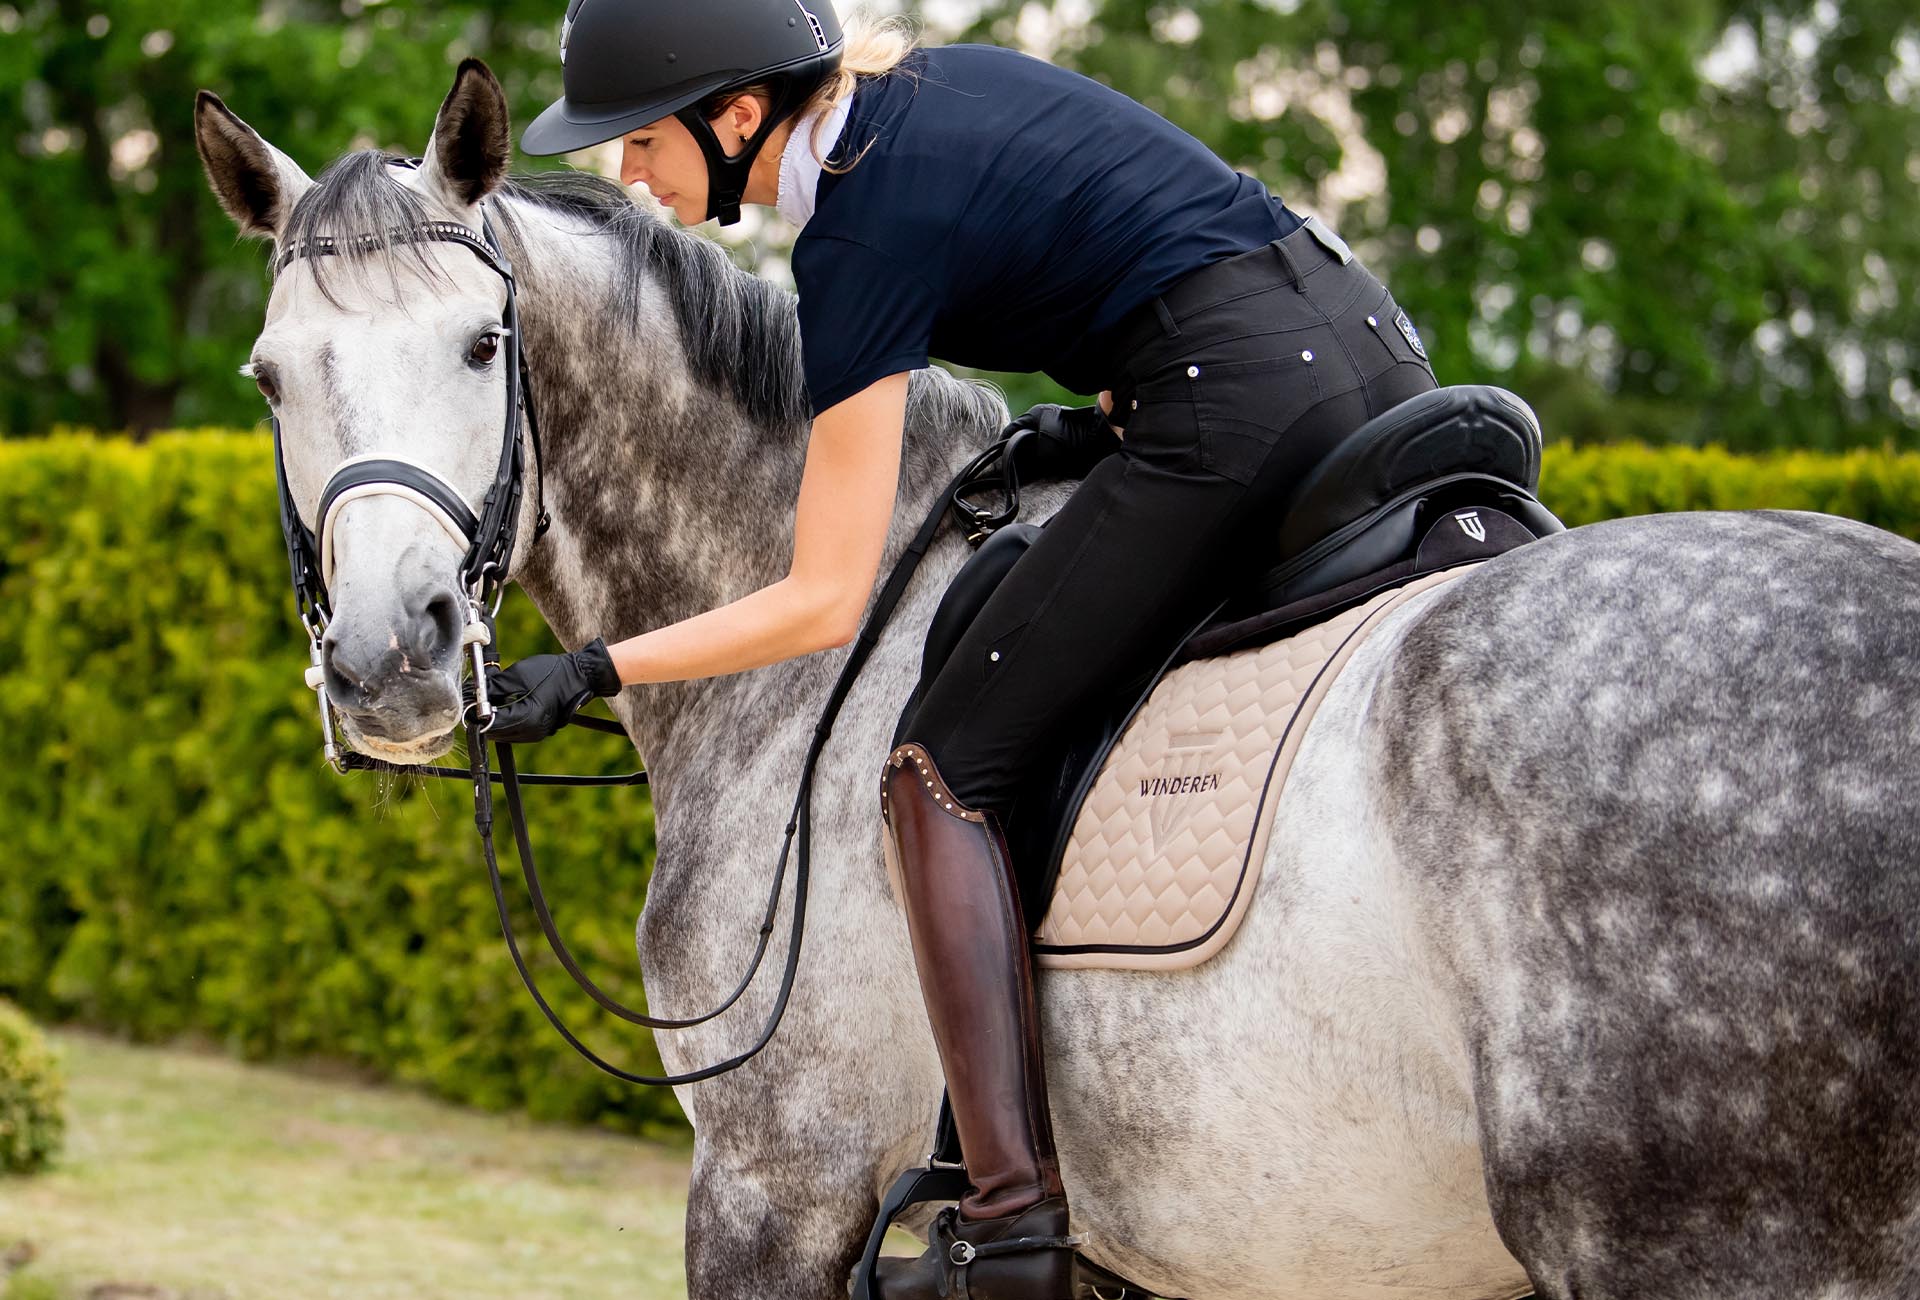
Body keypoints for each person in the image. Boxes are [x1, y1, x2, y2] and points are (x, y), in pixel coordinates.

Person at [494, 1, 1438, 1296]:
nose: (626, 176)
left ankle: (1012, 1220)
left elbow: (825, 598)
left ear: (737, 114)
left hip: (1244, 395)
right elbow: (1155, 248)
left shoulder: (862, 230)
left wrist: (597, 669)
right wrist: (1101, 415)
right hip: (1369, 352)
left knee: (939, 766)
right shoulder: (937, 98)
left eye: (641, 141)